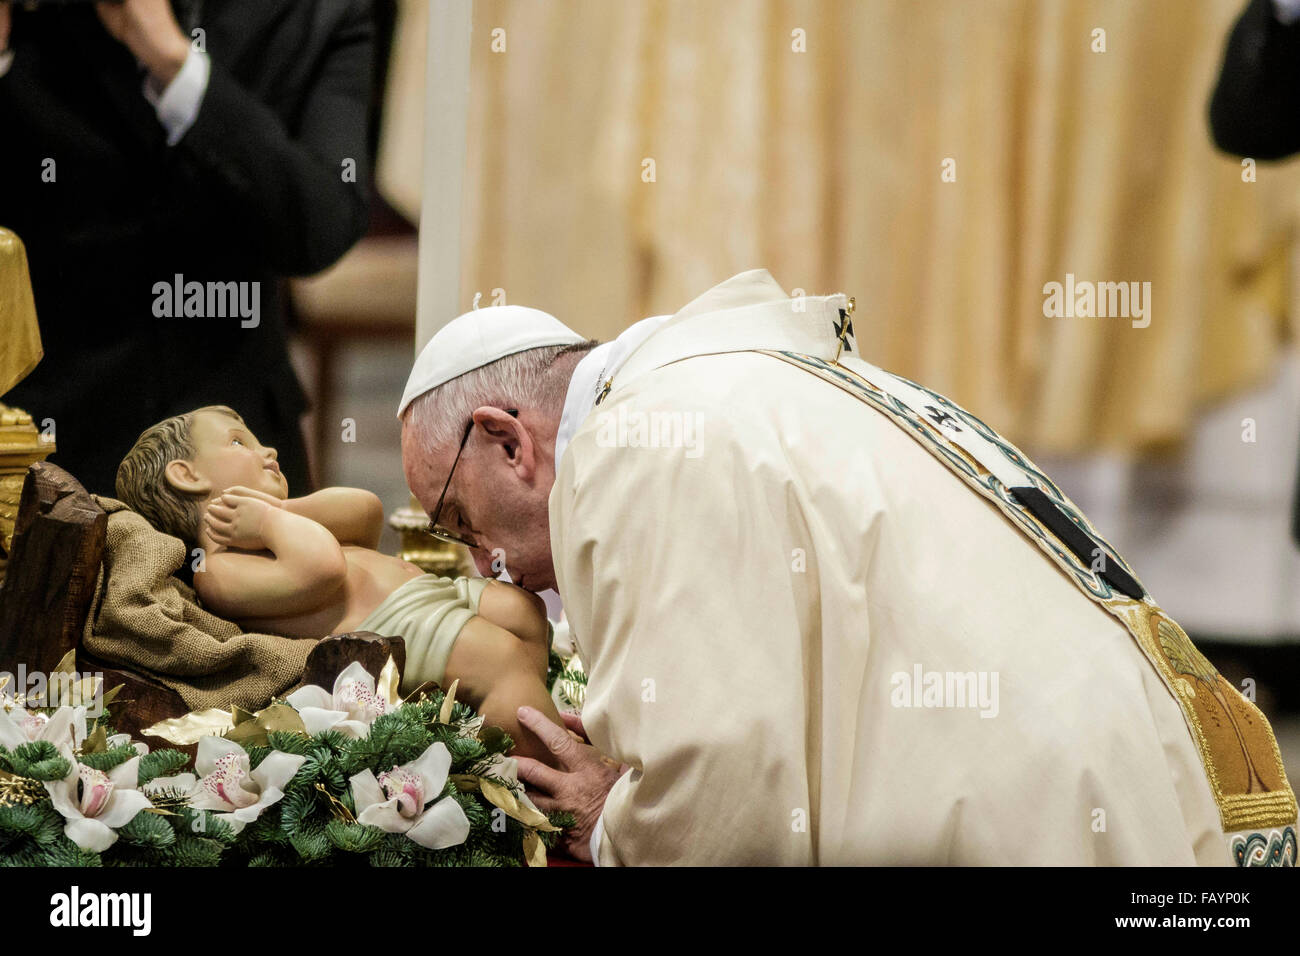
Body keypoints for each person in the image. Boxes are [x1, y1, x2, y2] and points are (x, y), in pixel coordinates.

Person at [397, 271, 1298, 865]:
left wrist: (614, 820)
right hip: (1106, 779)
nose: (490, 567)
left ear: (508, 440)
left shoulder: (645, 441)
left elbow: (727, 790)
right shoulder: (734, 387)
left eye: (464, 524)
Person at [0, 0, 375, 495]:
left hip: (236, 442)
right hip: (47, 442)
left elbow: (320, 227)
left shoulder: (319, 13)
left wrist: (178, 68)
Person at [115, 404, 566, 766]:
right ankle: (555, 770)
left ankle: (514, 737)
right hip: (396, 631)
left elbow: (365, 511)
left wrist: (281, 512)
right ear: (187, 475)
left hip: (434, 596)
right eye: (239, 442)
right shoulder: (220, 570)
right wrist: (270, 521)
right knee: (498, 658)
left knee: (522, 610)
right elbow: (322, 571)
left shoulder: (286, 518)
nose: (268, 450)